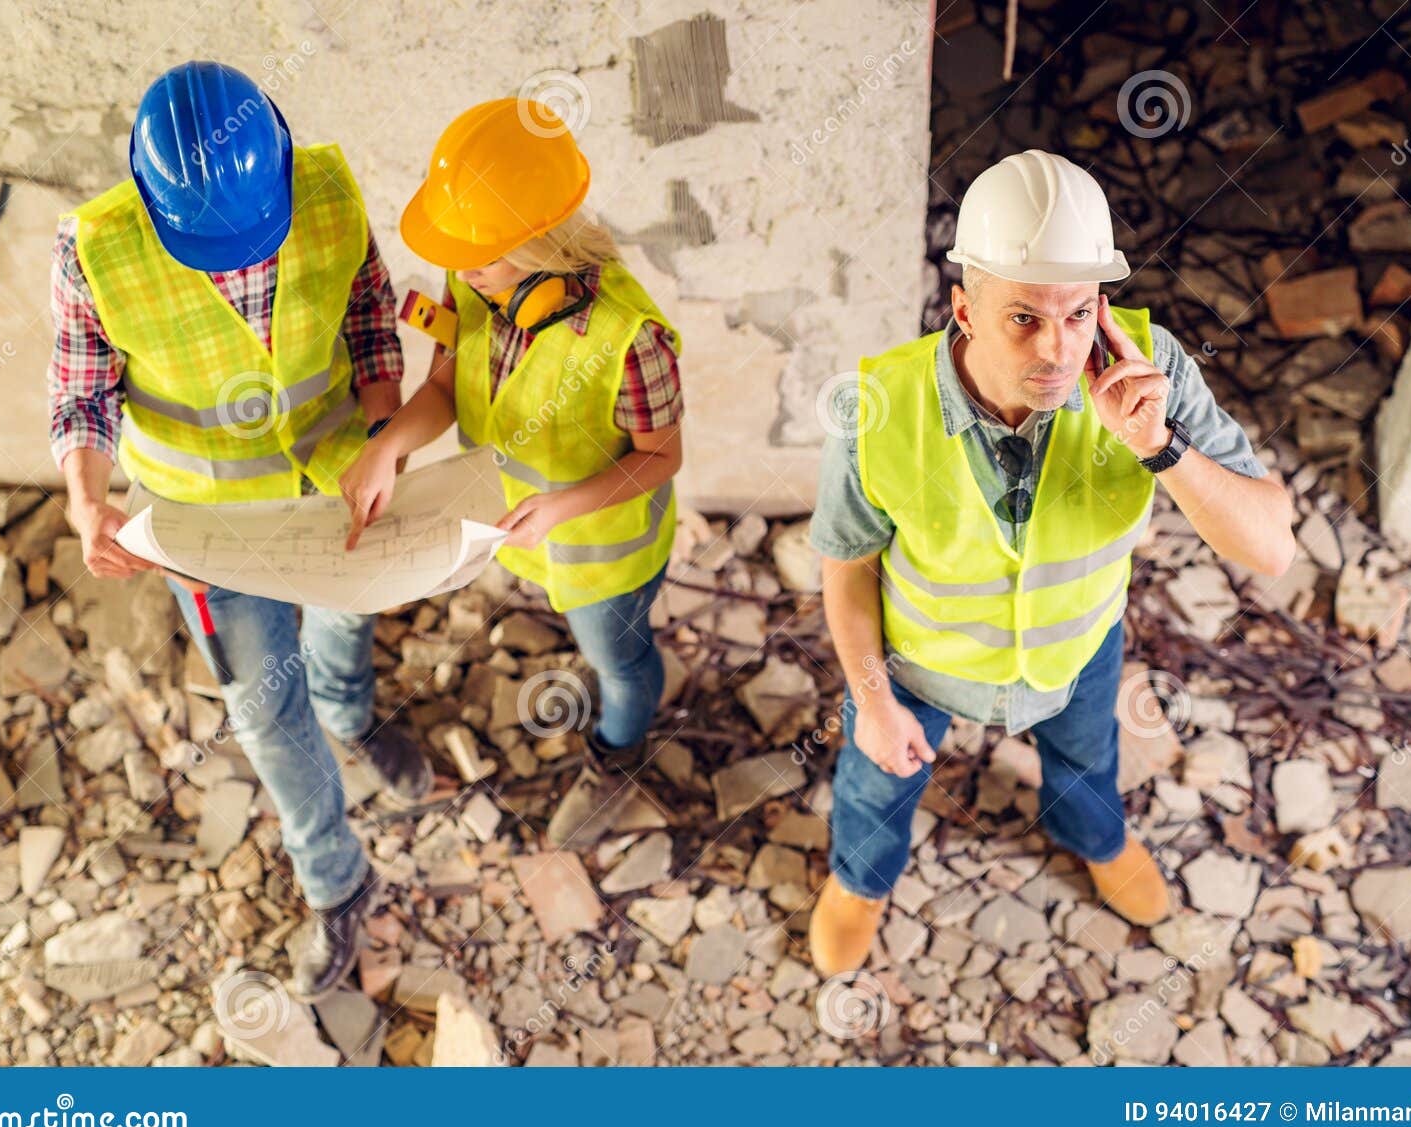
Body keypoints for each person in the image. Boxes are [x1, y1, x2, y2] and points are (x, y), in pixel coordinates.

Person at [806, 149, 1297, 977]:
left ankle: (1096, 839)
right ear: (964, 307)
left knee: (1086, 760)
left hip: (1077, 648)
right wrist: (872, 698)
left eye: (1076, 314)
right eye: (1024, 318)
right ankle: (860, 880)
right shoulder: (878, 405)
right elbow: (848, 566)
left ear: (1101, 305)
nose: (1058, 350)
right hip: (920, 659)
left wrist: (1159, 444)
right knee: (873, 779)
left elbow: (1273, 548)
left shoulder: (1156, 373)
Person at [49, 61, 432, 1002]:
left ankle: (350, 705)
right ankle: (336, 882)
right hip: (205, 527)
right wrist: (86, 496)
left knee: (348, 620)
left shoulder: (329, 191)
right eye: (208, 255)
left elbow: (371, 317)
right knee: (264, 711)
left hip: (334, 484)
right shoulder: (93, 251)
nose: (231, 268)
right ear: (148, 198)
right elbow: (82, 392)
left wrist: (382, 432)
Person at [339, 98, 684, 849]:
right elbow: (440, 388)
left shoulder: (633, 339)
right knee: (596, 647)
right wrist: (386, 446)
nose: (462, 270)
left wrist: (563, 509)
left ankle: (615, 760)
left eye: (482, 257)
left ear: (544, 244)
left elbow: (662, 455)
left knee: (618, 662)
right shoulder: (478, 277)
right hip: (527, 531)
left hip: (603, 555)